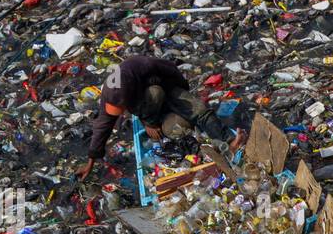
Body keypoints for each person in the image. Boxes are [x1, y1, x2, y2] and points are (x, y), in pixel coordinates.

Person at [76, 55, 245, 180]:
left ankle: (230, 142)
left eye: (121, 108)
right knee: (180, 130)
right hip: (149, 111)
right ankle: (210, 155)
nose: (121, 113)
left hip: (166, 89)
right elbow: (102, 128)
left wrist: (184, 95)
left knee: (200, 110)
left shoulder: (144, 67)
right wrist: (90, 162)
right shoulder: (110, 95)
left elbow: (173, 72)